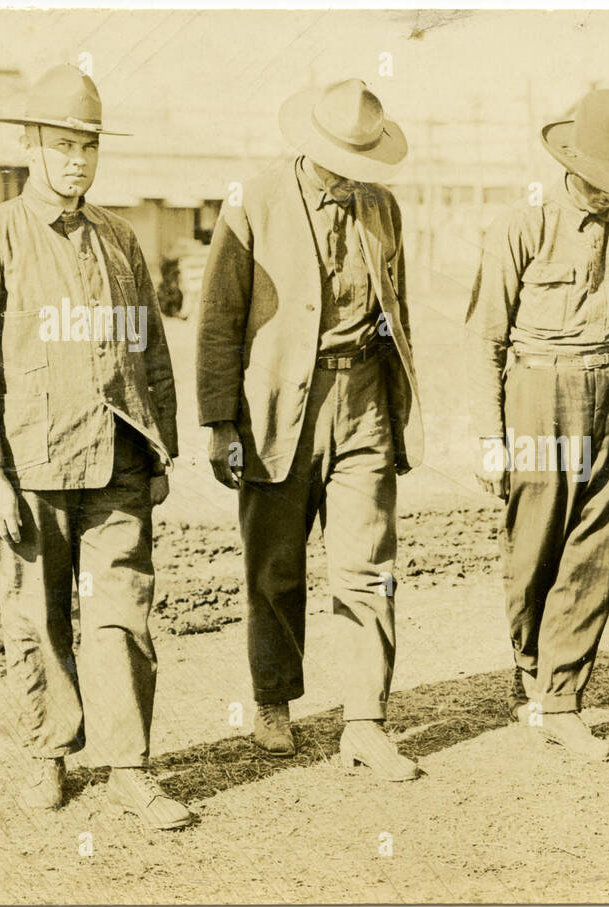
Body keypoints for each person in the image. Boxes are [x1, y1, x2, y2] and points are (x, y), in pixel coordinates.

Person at [0, 65, 191, 829]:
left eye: (87, 145)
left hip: (117, 458)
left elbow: (150, 353)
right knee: (35, 618)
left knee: (124, 615)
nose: (77, 160)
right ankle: (49, 754)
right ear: (29, 146)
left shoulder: (120, 239)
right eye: (61, 144)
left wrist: (159, 452)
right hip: (31, 464)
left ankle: (130, 767)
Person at [197, 79, 424, 781]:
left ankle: (365, 720)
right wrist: (219, 423)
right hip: (276, 411)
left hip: (363, 403)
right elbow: (217, 321)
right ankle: (273, 701)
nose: (349, 173)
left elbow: (399, 312)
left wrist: (393, 409)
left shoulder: (382, 207)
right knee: (275, 568)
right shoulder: (253, 202)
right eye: (337, 158)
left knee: (370, 568)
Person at [467, 89, 609, 762]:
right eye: (600, 178)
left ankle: (561, 698)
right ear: (571, 161)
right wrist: (490, 436)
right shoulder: (523, 223)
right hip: (538, 390)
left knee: (595, 549)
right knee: (533, 547)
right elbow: (485, 338)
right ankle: (530, 662)